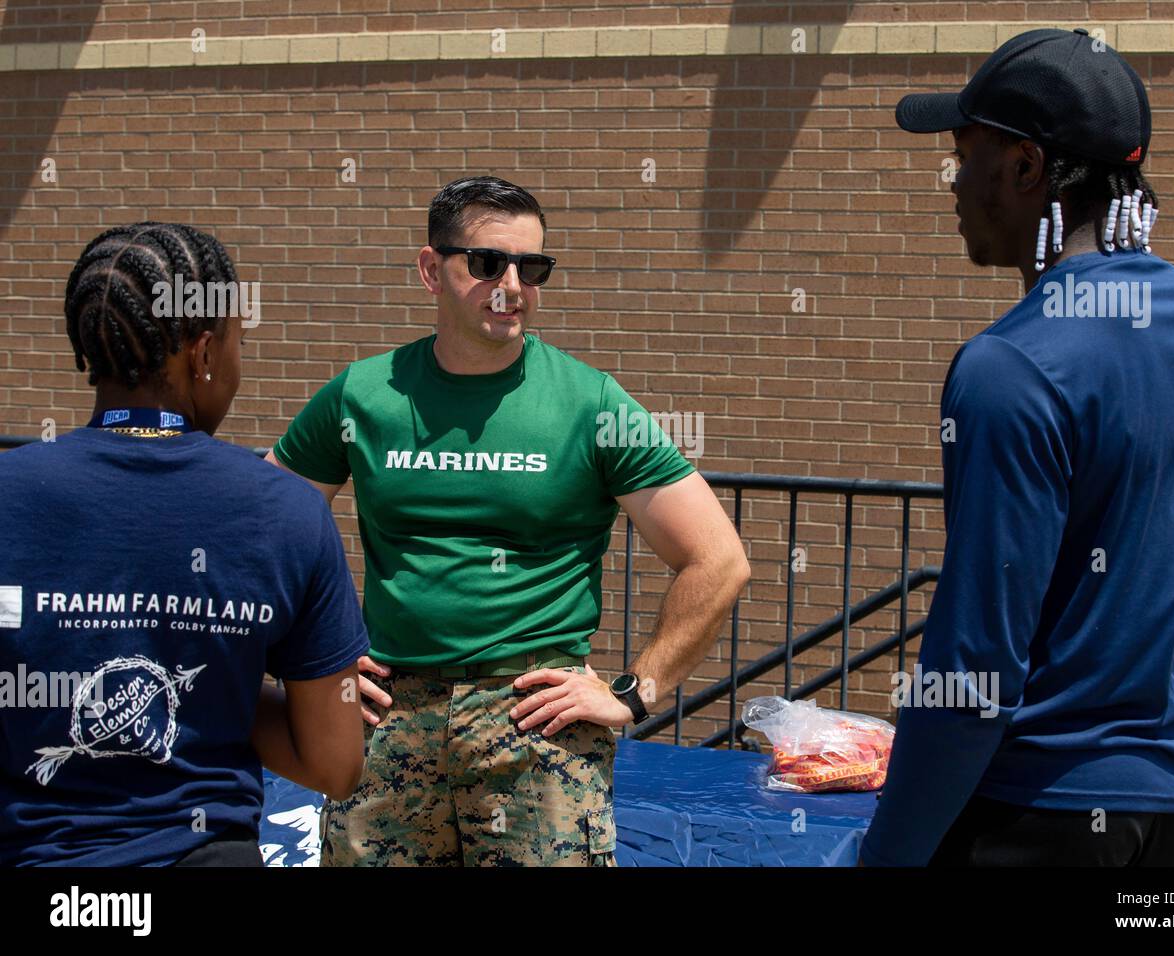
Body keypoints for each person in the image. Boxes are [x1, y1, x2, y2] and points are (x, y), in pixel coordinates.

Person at [859, 29, 1174, 866]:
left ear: (1024, 168)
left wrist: (890, 852)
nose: (953, 185)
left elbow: (977, 662)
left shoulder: (1010, 365)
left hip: (1035, 812)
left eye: (962, 156)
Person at [266, 175, 750, 866]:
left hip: (536, 725)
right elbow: (259, 537)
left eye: (534, 267)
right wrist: (310, 657)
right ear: (432, 268)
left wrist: (635, 692)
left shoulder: (591, 404)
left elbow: (718, 560)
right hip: (387, 719)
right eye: (489, 262)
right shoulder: (362, 395)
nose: (513, 284)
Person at [0, 222, 369, 866]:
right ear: (202, 354)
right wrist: (218, 677)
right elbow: (334, 765)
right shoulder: (285, 512)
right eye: (236, 344)